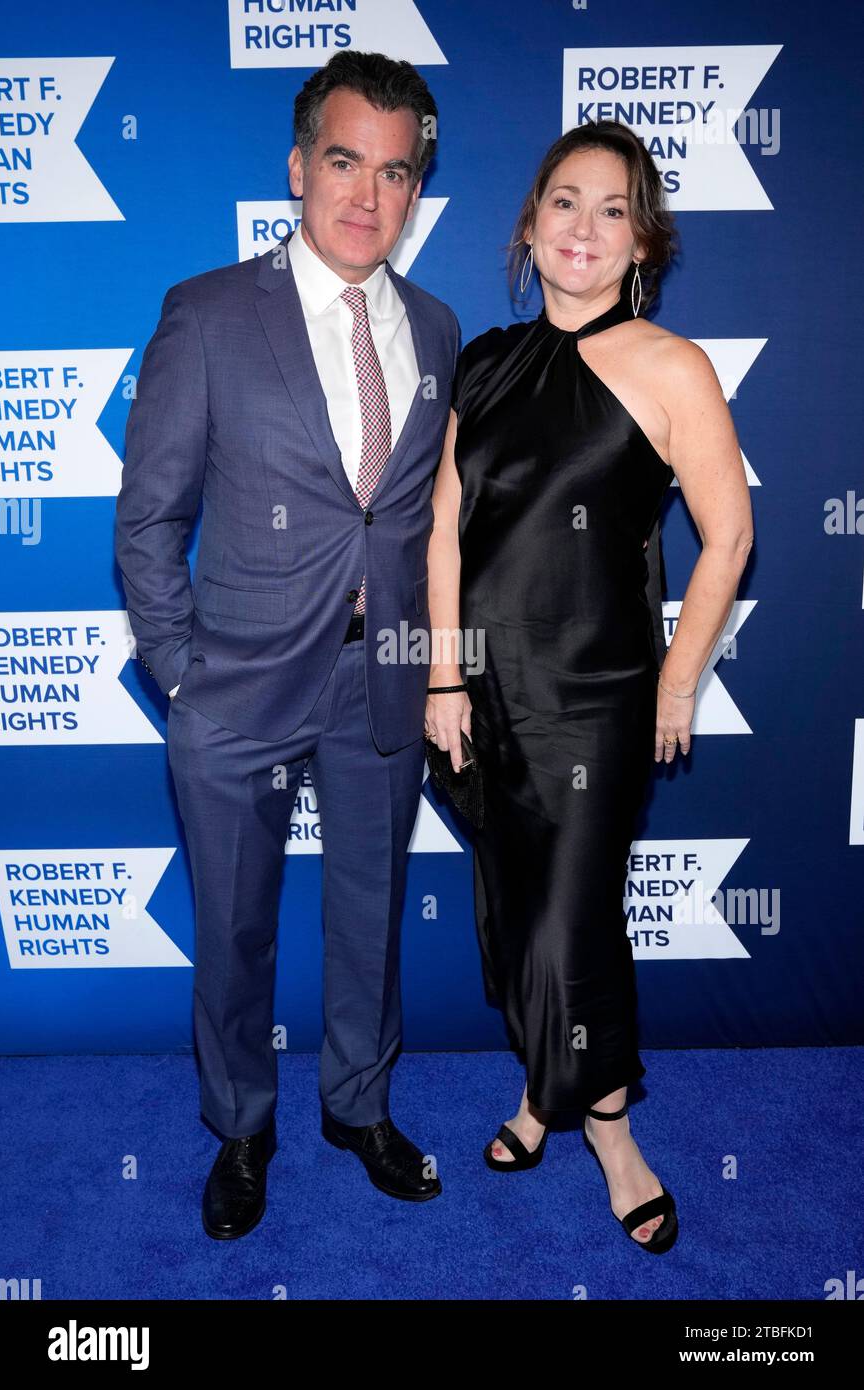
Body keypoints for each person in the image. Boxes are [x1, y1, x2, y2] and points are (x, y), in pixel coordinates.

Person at [115, 51, 460, 1238]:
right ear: (299, 167)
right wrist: (182, 676)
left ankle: (356, 1106)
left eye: (397, 172)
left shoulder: (435, 326)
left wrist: (430, 663)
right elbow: (149, 519)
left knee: (370, 916)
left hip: (381, 683)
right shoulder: (208, 312)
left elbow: (413, 520)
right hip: (239, 688)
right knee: (235, 927)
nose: (369, 196)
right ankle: (242, 1127)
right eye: (345, 161)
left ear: (416, 190)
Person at [424, 119, 753, 1253]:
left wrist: (675, 683)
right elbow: (440, 530)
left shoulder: (669, 366)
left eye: (612, 208)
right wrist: (444, 674)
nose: (583, 226)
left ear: (638, 243)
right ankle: (535, 1091)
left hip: (600, 697)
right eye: (565, 201)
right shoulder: (483, 361)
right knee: (516, 910)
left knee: (572, 920)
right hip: (484, 696)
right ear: (530, 224)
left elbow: (727, 537)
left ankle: (608, 1128)